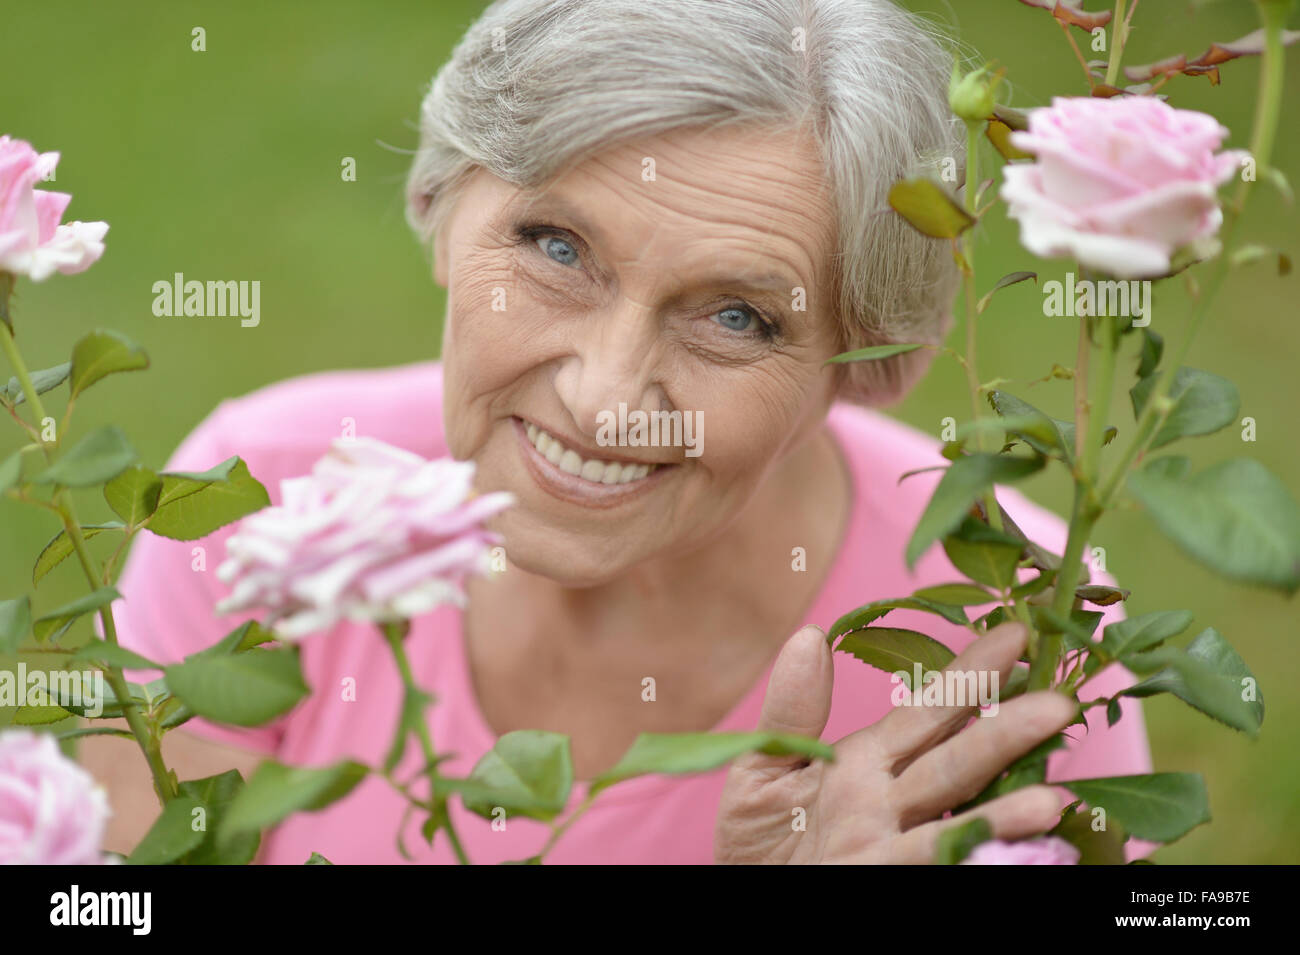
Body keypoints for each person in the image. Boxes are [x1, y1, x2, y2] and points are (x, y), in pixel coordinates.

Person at [82, 0, 1151, 864]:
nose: (604, 400)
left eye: (738, 317)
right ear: (439, 207)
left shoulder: (1018, 627)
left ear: (862, 363)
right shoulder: (260, 491)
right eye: (554, 248)